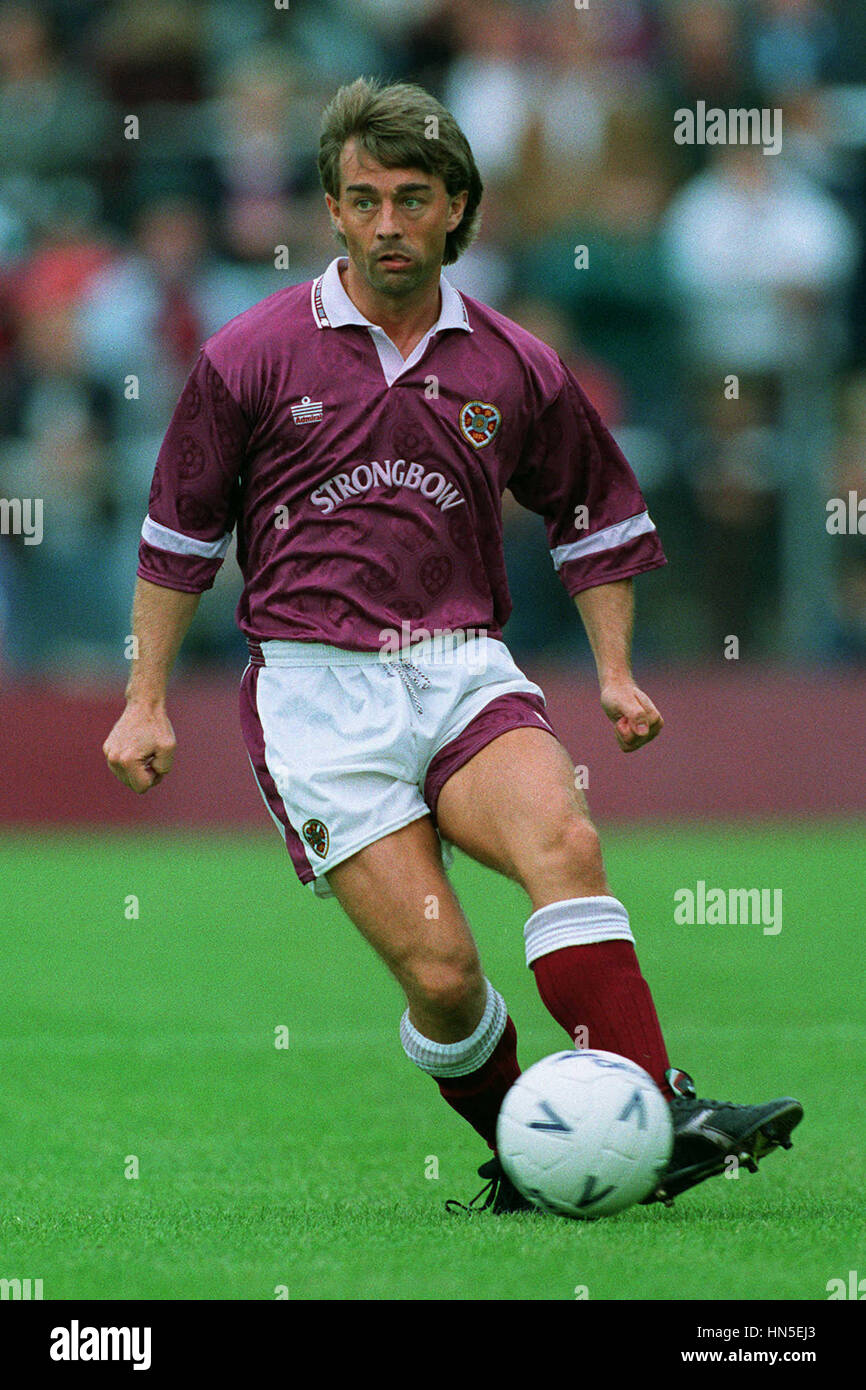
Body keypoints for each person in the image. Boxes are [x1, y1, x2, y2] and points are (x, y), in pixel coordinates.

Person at [103, 77, 801, 1213]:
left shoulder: (513, 362)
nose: (387, 223)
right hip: (315, 694)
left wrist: (615, 671)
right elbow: (177, 534)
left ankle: (653, 1109)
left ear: (456, 207)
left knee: (564, 844)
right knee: (442, 975)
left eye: (412, 198)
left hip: (461, 665)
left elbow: (597, 511)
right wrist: (144, 699)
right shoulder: (249, 356)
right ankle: (530, 1152)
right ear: (331, 209)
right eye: (363, 199)